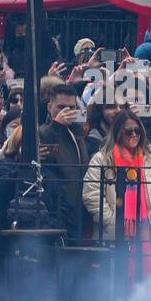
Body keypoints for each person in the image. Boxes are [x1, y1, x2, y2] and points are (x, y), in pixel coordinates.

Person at [84, 111, 151, 281]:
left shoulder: (150, 159)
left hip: (144, 229)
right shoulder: (102, 159)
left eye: (138, 131)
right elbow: (91, 194)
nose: (134, 134)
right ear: (117, 132)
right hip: (115, 232)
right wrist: (112, 222)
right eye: (128, 131)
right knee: (116, 279)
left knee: (144, 277)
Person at [38, 83, 90, 239]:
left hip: (78, 211)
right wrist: (57, 125)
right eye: (61, 107)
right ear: (49, 107)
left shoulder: (77, 134)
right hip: (56, 211)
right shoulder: (43, 132)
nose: (67, 112)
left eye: (71, 108)